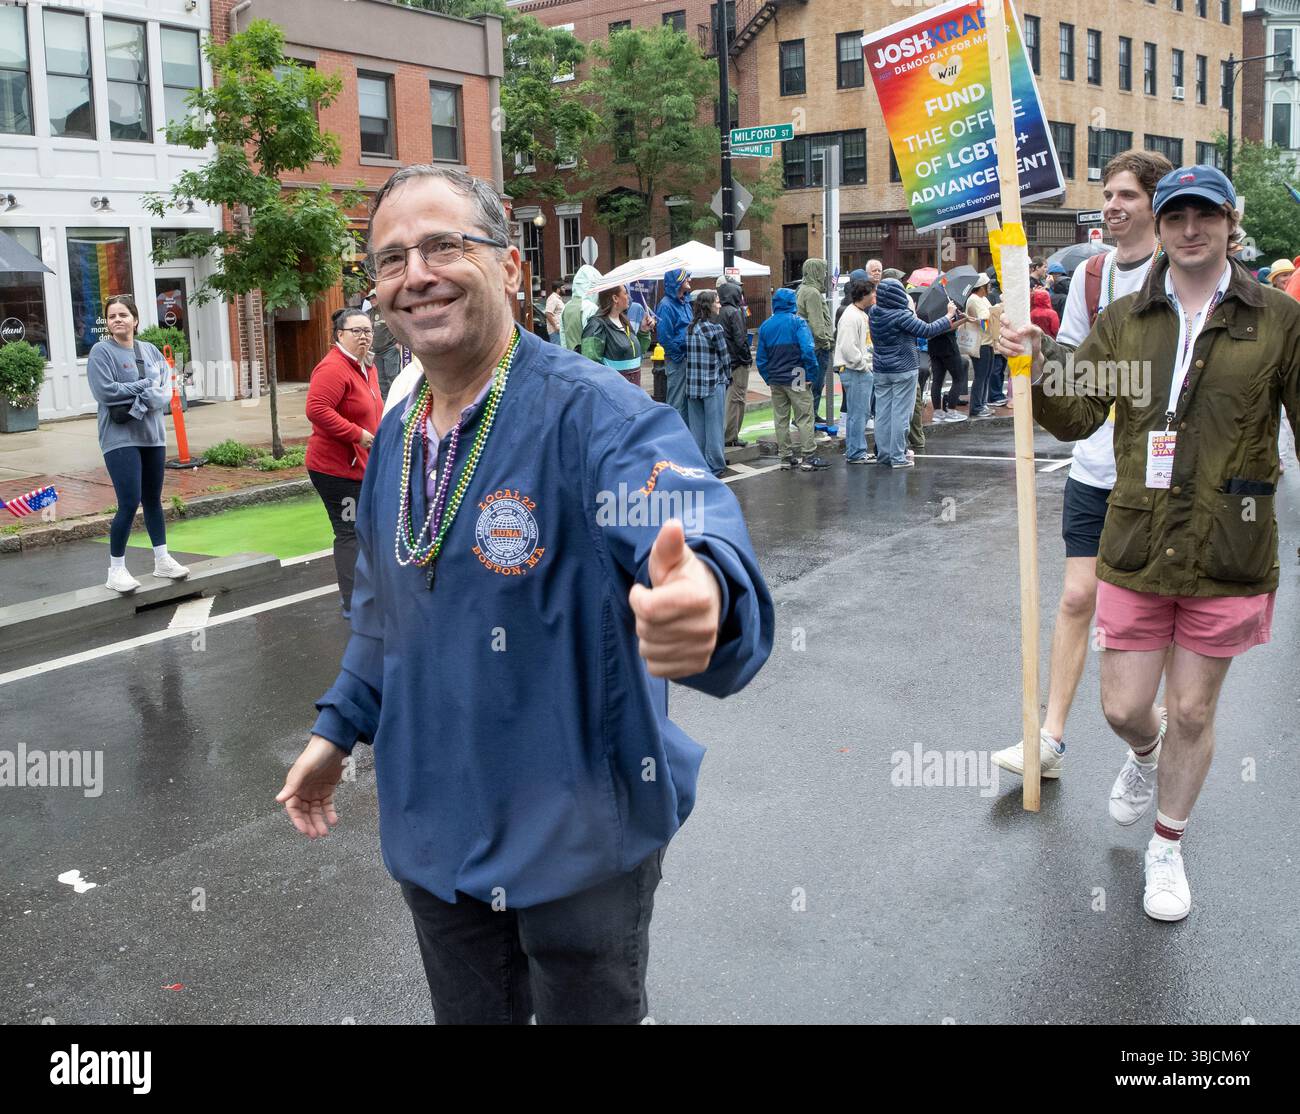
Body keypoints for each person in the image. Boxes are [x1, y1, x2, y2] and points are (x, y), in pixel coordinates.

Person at [277, 165, 773, 1024]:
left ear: (510, 269)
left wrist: (705, 590)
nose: (416, 273)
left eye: (443, 245)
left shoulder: (596, 415)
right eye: (391, 259)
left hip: (576, 848)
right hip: (435, 841)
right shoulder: (398, 431)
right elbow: (382, 612)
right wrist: (338, 727)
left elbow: (687, 514)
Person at [998, 164, 1299, 922]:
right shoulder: (1127, 319)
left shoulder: (1277, 320)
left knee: (1192, 713)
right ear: (1159, 228)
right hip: (1134, 539)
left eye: (1205, 214)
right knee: (1128, 708)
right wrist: (1032, 360)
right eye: (1175, 216)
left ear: (1231, 222)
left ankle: (1167, 845)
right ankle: (1143, 756)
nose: (1189, 228)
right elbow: (1074, 416)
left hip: (1230, 548)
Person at [993, 149, 1171, 785]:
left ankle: (1151, 729)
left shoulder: (1178, 275)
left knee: (1154, 608)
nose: (1112, 207)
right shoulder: (1092, 277)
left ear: (1158, 203)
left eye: (1126, 195)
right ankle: (1050, 740)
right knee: (1075, 597)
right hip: (1093, 466)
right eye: (1107, 194)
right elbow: (1074, 368)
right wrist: (1035, 359)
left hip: (1157, 473)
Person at [85, 295, 189, 592]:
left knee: (153, 500)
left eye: (123, 315)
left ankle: (162, 559)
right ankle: (115, 569)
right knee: (129, 502)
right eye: (112, 316)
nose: (117, 320)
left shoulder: (151, 351)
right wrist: (143, 386)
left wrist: (133, 392)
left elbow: (164, 393)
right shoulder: (101, 352)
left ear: (135, 319)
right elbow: (105, 392)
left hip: (152, 437)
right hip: (119, 438)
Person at [305, 307, 383, 620]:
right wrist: (357, 435)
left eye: (368, 330)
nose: (364, 336)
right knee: (350, 531)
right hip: (335, 469)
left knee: (367, 530)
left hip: (361, 464)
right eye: (356, 331)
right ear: (340, 335)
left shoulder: (366, 365)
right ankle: (353, 603)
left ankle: (369, 594)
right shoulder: (334, 368)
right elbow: (317, 410)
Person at [868, 277, 961, 468]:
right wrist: (949, 315)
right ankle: (898, 457)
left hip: (881, 369)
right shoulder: (902, 315)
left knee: (883, 414)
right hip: (903, 368)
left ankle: (884, 455)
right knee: (901, 414)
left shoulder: (874, 312)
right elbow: (927, 330)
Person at [756, 286, 827, 471]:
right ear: (792, 303)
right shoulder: (798, 322)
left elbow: (761, 359)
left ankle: (785, 457)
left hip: (775, 377)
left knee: (781, 418)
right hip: (797, 374)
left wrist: (768, 377)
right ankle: (808, 456)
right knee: (804, 415)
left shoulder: (765, 326)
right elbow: (808, 350)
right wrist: (811, 374)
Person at [684, 288, 730, 476]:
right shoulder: (715, 329)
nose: (719, 304)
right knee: (715, 428)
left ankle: (699, 464)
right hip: (712, 383)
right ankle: (716, 464)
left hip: (692, 385)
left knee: (697, 429)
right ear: (709, 306)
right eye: (717, 301)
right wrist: (728, 378)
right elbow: (725, 358)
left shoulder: (691, 328)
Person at [834, 277, 876, 464]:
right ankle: (856, 452)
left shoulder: (858, 314)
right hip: (855, 371)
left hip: (856, 370)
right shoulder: (852, 316)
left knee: (857, 413)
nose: (875, 295)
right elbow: (848, 347)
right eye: (872, 292)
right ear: (864, 295)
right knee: (859, 413)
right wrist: (864, 366)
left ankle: (854, 451)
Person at [795, 258, 834, 425]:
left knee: (803, 385)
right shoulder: (813, 293)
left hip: (805, 345)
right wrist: (826, 342)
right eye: (823, 271)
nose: (825, 274)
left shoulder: (801, 289)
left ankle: (804, 416)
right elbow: (817, 322)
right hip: (817, 346)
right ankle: (809, 417)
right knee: (816, 384)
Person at [580, 284, 643, 387]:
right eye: (625, 293)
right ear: (615, 298)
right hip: (615, 391)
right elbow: (590, 367)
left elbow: (638, 353)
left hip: (633, 389)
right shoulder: (596, 325)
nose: (629, 297)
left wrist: (644, 332)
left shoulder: (624, 322)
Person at [717, 278, 753, 448]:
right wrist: (747, 359)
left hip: (725, 361)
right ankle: (731, 436)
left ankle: (726, 434)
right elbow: (740, 339)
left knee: (728, 398)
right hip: (738, 361)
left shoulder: (719, 312)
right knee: (738, 398)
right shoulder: (734, 312)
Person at [655, 267, 693, 422]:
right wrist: (679, 357)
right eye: (685, 277)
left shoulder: (685, 302)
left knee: (687, 403)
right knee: (677, 402)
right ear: (677, 282)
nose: (689, 279)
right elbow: (664, 337)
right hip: (677, 360)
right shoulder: (666, 306)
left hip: (686, 358)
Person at [964, 272, 997, 418]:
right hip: (981, 343)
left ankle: (981, 404)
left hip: (987, 342)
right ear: (982, 287)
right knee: (981, 376)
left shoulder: (981, 298)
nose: (990, 287)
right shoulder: (975, 299)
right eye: (988, 284)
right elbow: (984, 318)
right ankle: (976, 407)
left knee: (986, 375)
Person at [562, 265, 600, 350]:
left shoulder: (566, 306)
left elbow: (563, 338)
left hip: (570, 356)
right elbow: (592, 341)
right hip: (585, 359)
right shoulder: (590, 307)